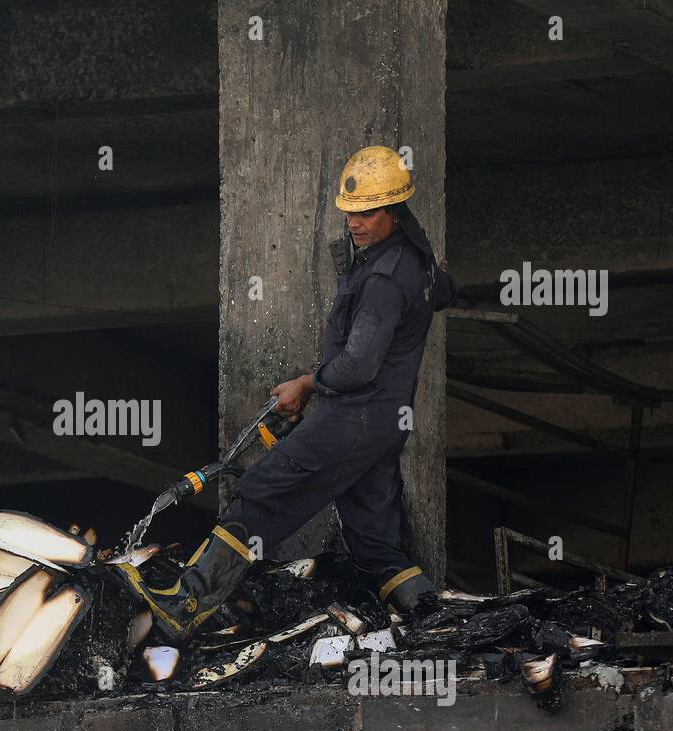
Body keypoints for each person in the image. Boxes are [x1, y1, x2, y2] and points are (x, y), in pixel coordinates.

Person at [116, 145, 457, 644]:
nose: (356, 223)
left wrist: (306, 384)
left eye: (368, 214)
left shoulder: (384, 277)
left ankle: (184, 606)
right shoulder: (416, 263)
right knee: (375, 543)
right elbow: (446, 290)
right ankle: (432, 619)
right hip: (385, 425)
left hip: (351, 418)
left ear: (394, 211)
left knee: (257, 496)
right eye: (350, 213)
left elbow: (358, 366)